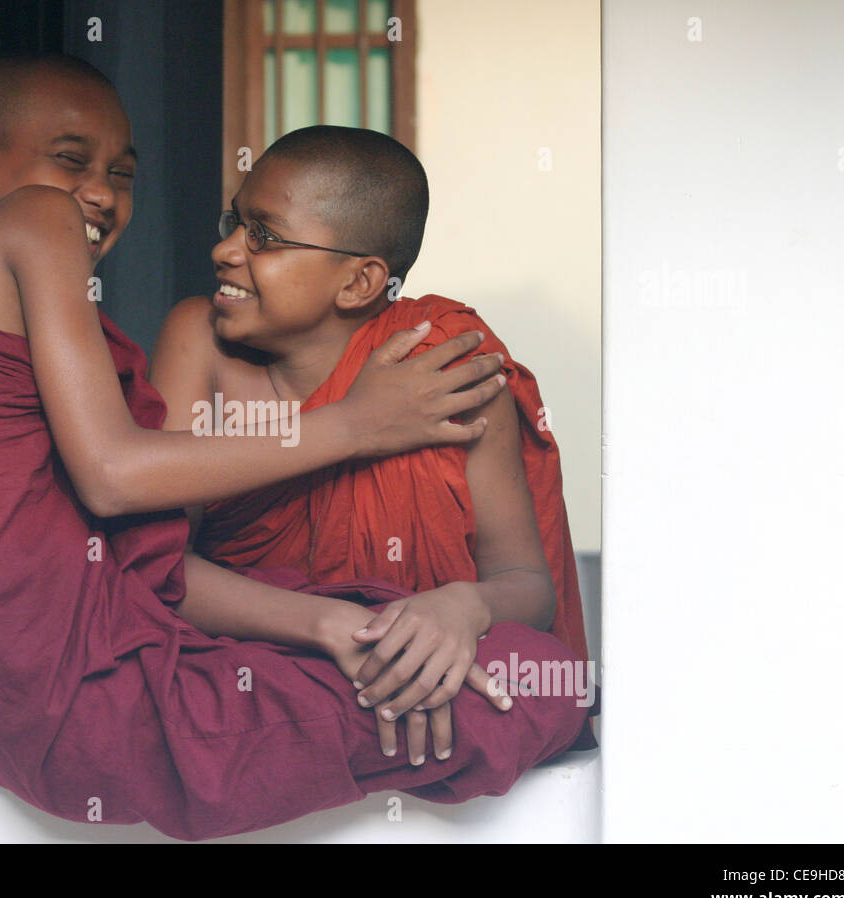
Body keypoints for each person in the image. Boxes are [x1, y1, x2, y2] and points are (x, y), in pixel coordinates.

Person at [0, 53, 590, 841]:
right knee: (538, 683)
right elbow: (118, 487)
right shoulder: (44, 224)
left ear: (359, 282)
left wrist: (440, 611)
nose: (100, 193)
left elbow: (131, 547)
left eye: (120, 173)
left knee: (476, 650)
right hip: (76, 684)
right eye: (72, 161)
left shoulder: (436, 364)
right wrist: (357, 425)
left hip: (21, 674)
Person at [150, 125, 596, 762]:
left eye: (263, 236)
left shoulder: (444, 367)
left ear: (360, 282)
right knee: (177, 686)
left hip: (406, 644)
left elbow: (525, 582)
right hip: (258, 641)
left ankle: (357, 719)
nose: (224, 250)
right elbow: (160, 564)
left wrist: (461, 609)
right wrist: (334, 627)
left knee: (536, 676)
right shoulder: (199, 339)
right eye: (234, 222)